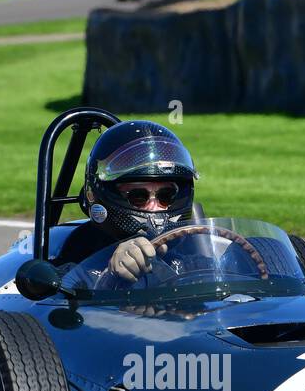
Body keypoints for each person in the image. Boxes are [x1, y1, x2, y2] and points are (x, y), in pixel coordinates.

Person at [58, 120, 200, 282]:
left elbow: (225, 277)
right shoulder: (80, 259)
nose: (154, 207)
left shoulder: (189, 252)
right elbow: (47, 288)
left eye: (166, 196)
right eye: (138, 196)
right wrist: (109, 275)